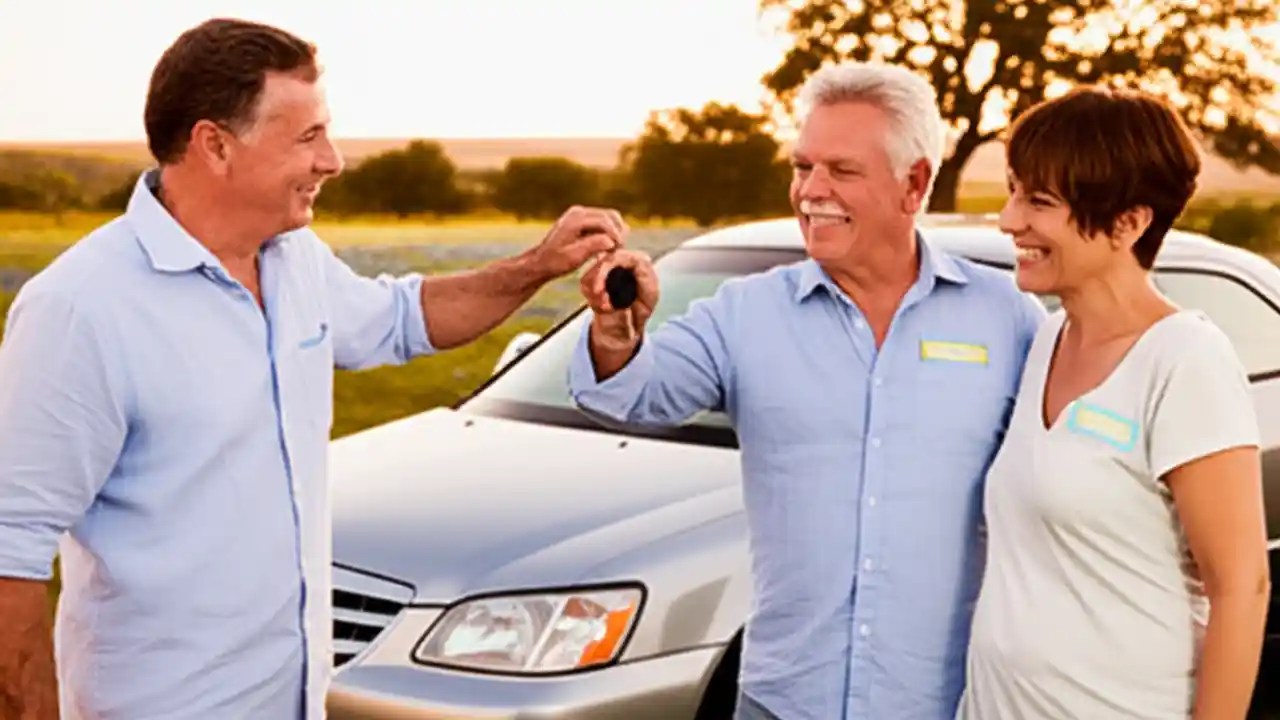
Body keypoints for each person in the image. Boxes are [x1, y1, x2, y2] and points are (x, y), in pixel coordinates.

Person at [0, 18, 624, 720]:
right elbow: (9, 554)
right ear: (215, 145)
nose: (333, 161)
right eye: (308, 137)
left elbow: (403, 319)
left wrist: (537, 266)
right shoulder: (80, 308)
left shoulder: (293, 261)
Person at [568, 61, 1045, 720]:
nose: (811, 191)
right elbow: (632, 395)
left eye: (842, 171)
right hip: (784, 700)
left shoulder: (1009, 319)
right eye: (801, 167)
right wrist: (616, 333)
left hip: (945, 703)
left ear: (915, 184)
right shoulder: (744, 313)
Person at [956, 87, 1270, 719]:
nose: (1009, 219)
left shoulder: (1184, 360)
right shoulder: (1047, 337)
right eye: (1014, 190)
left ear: (1129, 223)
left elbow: (1241, 586)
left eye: (1039, 202)